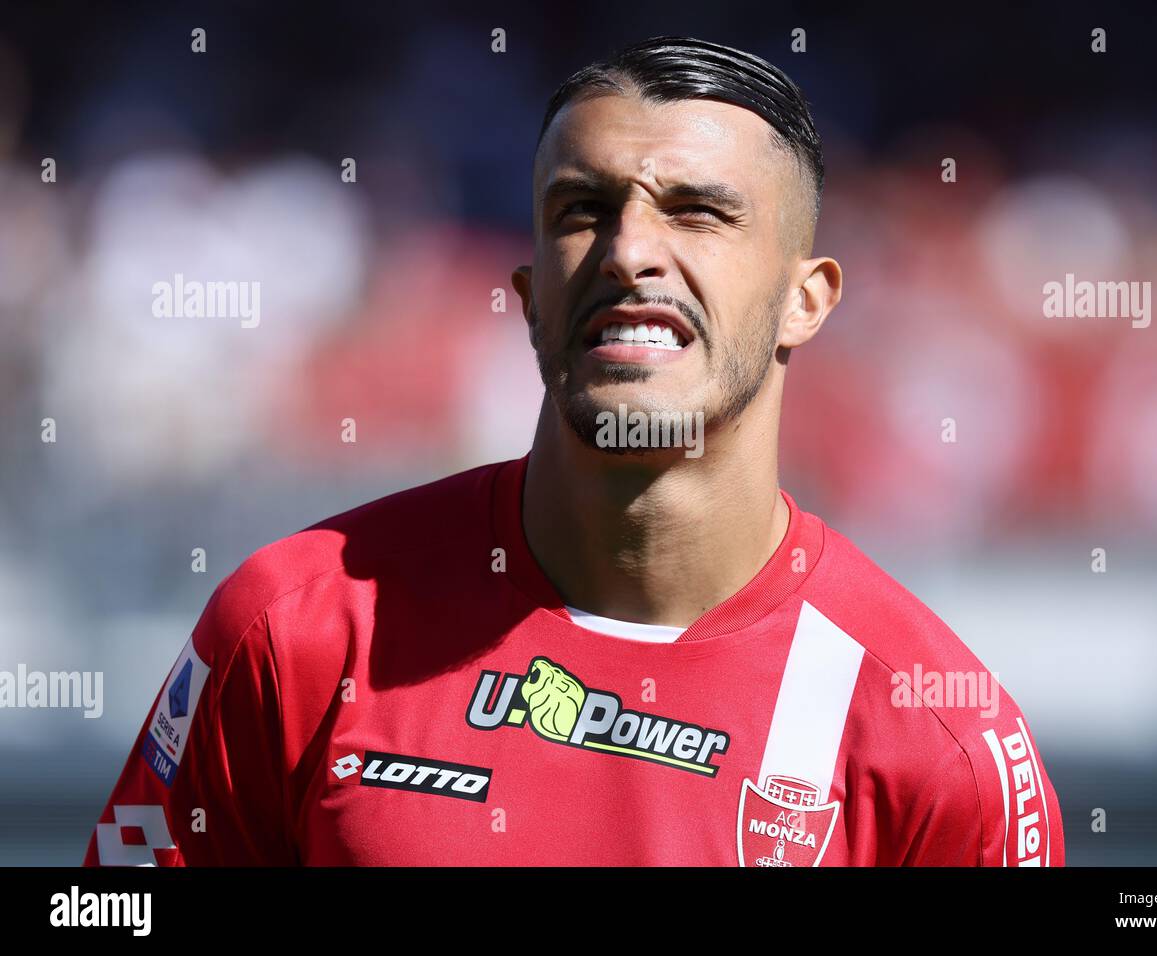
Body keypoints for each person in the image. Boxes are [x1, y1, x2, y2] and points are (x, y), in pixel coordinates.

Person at [85, 35, 1063, 866]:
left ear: (806, 299)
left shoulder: (940, 743)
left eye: (698, 211)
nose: (628, 248)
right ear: (527, 296)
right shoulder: (291, 630)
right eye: (580, 209)